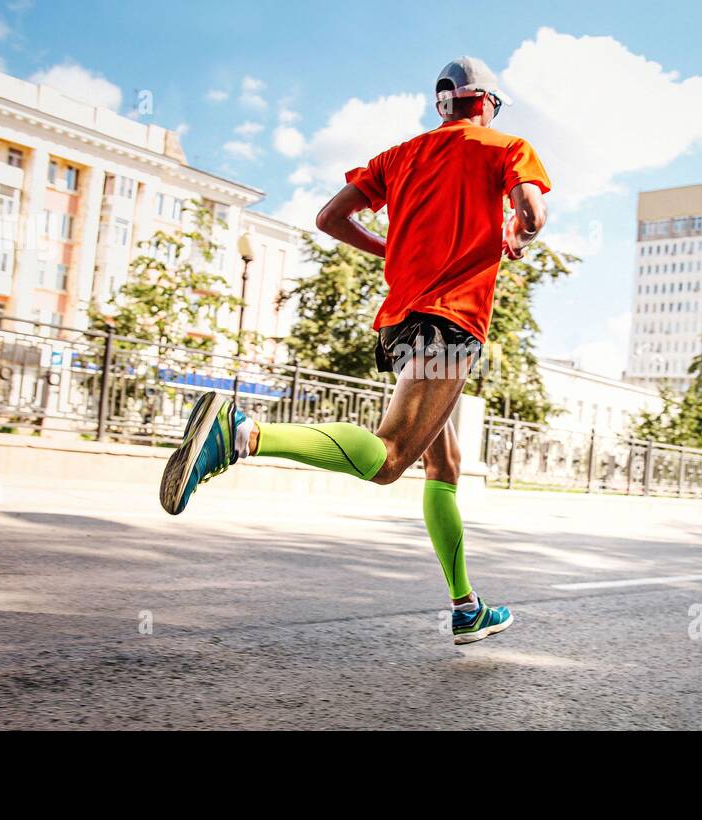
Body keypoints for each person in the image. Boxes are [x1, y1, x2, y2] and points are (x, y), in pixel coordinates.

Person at [158, 57, 550, 645]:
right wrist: (514, 234)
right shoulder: (507, 147)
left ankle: (466, 607)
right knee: (392, 459)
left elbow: (330, 217)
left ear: (443, 103)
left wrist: (389, 250)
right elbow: (532, 213)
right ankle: (241, 435)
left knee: (444, 465)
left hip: (402, 322)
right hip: (452, 322)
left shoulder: (398, 157)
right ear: (485, 102)